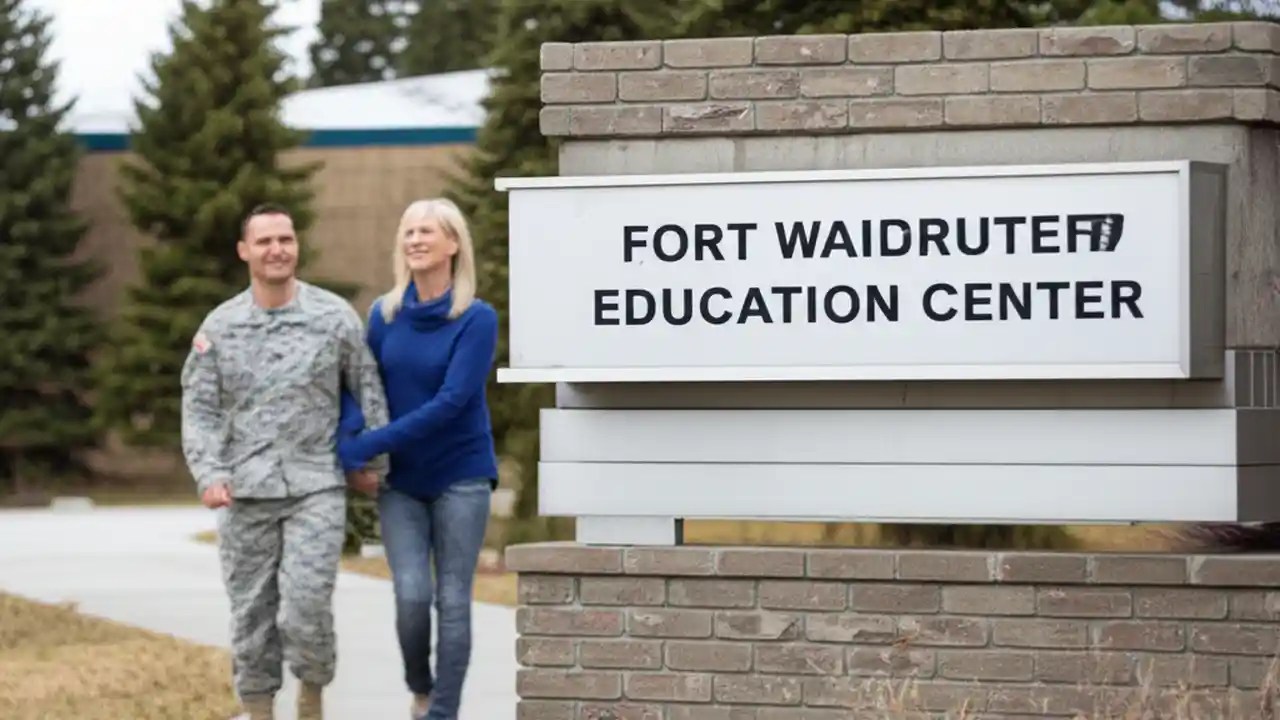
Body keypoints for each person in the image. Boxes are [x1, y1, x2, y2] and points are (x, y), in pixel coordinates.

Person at [180, 203, 390, 720]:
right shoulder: (220, 326)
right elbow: (200, 408)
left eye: (285, 239)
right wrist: (210, 473)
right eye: (265, 241)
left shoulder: (333, 317)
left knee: (307, 604)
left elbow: (367, 389)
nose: (277, 250)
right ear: (244, 251)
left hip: (315, 487)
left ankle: (312, 693)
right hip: (244, 492)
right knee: (251, 614)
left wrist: (374, 463)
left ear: (296, 246)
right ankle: (258, 709)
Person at [336, 197, 499, 720]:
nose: (415, 240)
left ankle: (441, 712)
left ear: (453, 243)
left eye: (427, 231)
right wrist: (351, 442)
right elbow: (360, 385)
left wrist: (371, 444)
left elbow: (451, 403)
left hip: (462, 474)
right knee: (411, 595)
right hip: (401, 482)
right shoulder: (384, 316)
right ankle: (421, 687)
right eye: (408, 231)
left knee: (452, 599)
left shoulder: (476, 319)